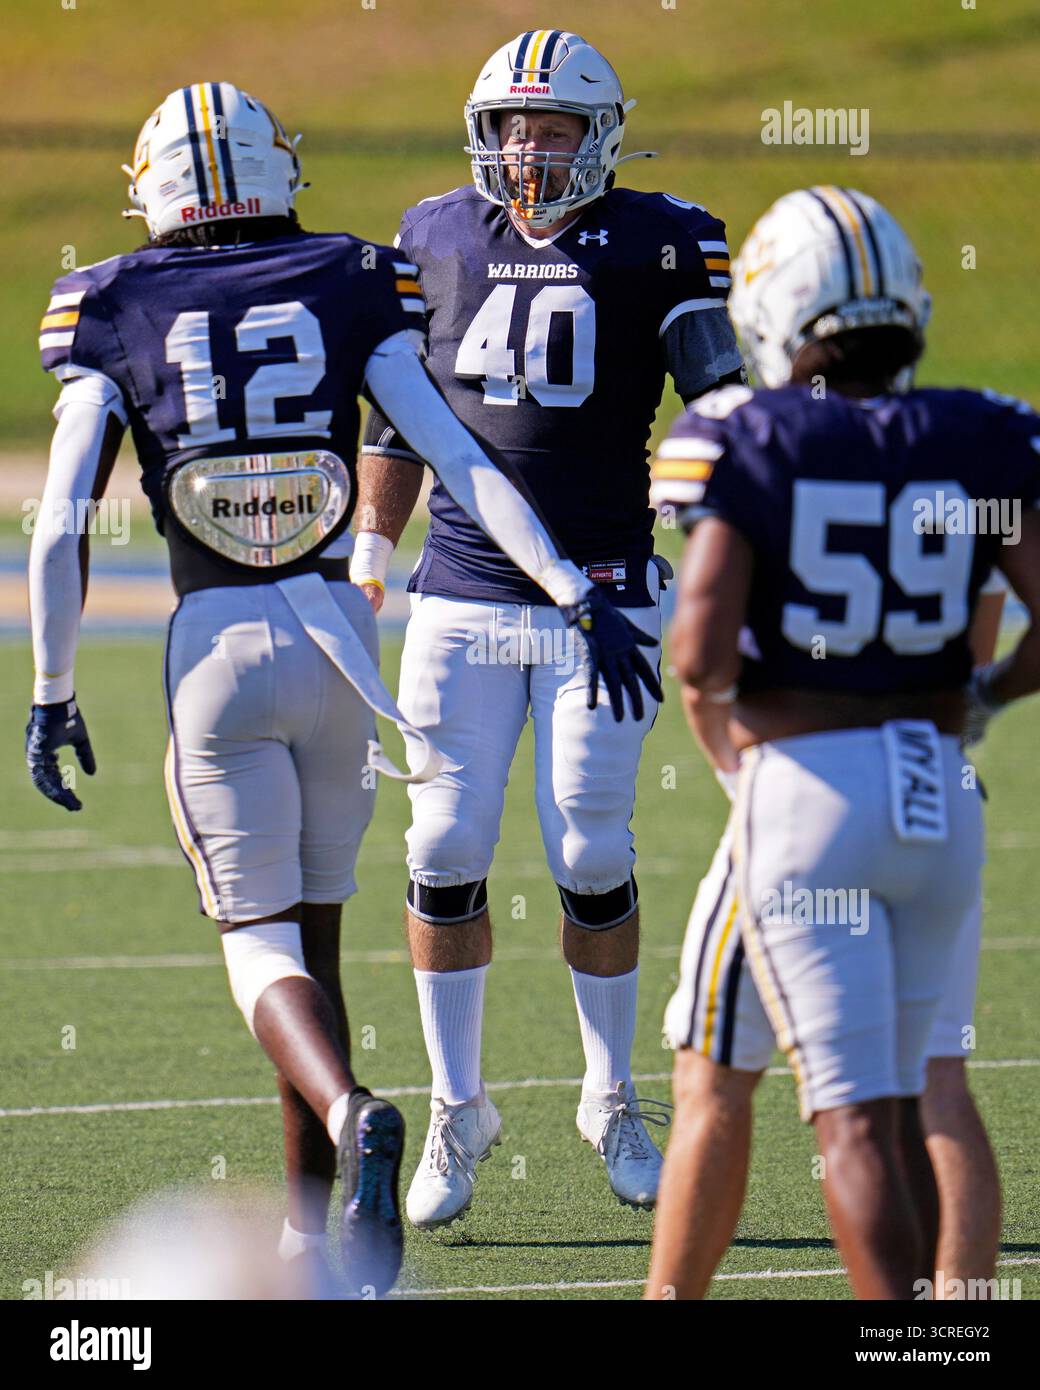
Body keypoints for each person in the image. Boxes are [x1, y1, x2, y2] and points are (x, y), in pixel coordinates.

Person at [25, 82, 657, 1297]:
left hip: (215, 643)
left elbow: (59, 525)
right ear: (275, 170)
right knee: (319, 945)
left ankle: (359, 1106)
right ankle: (313, 1242)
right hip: (342, 656)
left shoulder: (107, 297)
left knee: (260, 953)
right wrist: (571, 588)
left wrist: (53, 687)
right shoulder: (352, 272)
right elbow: (459, 459)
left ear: (155, 183)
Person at [353, 30, 743, 1227]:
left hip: (605, 591)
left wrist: (714, 536)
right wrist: (369, 557)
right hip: (461, 594)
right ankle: (459, 1106)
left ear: (598, 134)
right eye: (512, 124)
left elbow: (715, 406)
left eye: (553, 127)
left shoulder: (660, 237)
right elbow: (393, 423)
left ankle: (608, 1092)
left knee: (586, 848)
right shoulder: (429, 233)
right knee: (442, 845)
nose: (528, 147)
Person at [643, 185, 1040, 1299]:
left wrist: (725, 738)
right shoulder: (982, 433)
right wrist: (982, 698)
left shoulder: (743, 431)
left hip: (807, 783)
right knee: (922, 1088)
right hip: (935, 787)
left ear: (774, 312)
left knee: (852, 1115)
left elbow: (699, 644)